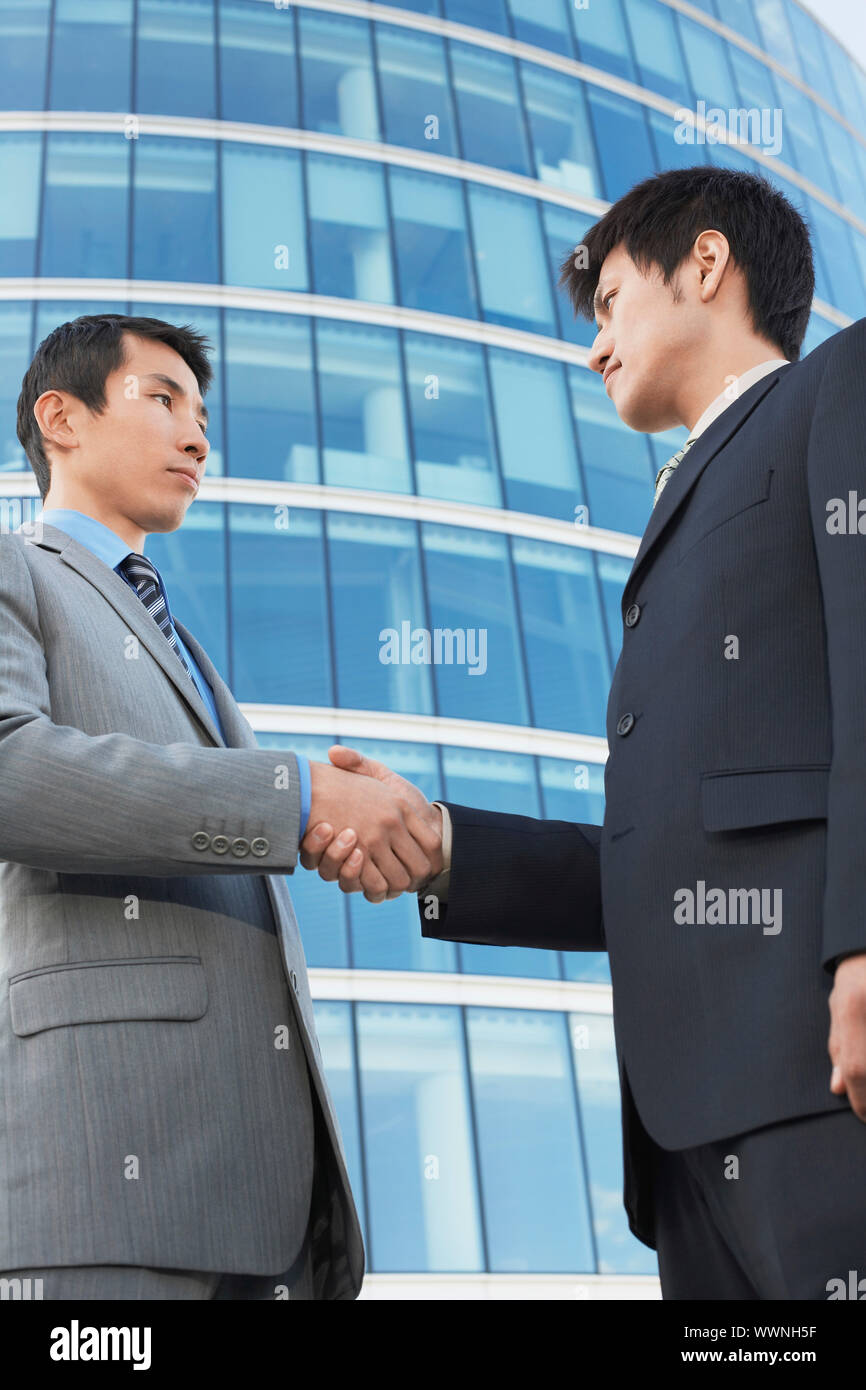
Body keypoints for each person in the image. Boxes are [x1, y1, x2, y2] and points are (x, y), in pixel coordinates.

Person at [302, 167, 866, 1300]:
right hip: (687, 1139)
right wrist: (443, 843)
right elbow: (667, 861)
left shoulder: (836, 395)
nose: (593, 346)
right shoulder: (675, 509)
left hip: (818, 1074)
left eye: (607, 303)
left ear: (704, 265)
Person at [0, 313, 442, 1300]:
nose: (198, 437)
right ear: (60, 418)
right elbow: (11, 774)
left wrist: (335, 821)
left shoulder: (185, 649)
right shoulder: (13, 568)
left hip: (256, 1212)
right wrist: (292, 799)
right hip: (102, 1197)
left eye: (202, 414)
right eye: (161, 399)